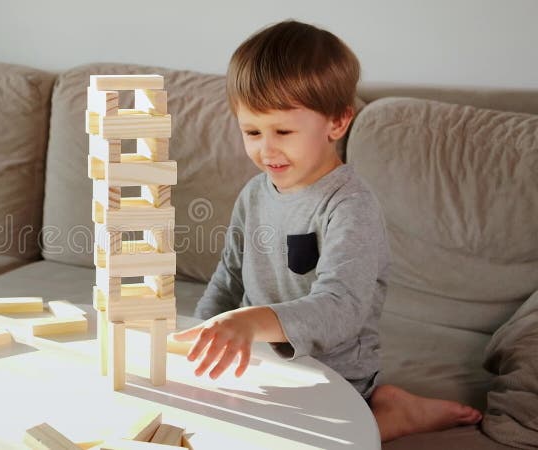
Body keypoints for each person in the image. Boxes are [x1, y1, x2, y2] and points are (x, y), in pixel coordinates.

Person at [171, 20, 482, 442]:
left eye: (282, 131)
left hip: (335, 375)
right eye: (252, 132)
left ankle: (392, 414)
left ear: (336, 123)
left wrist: (251, 322)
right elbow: (230, 275)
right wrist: (203, 335)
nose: (267, 149)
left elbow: (342, 307)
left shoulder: (350, 205)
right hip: (263, 363)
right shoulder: (254, 193)